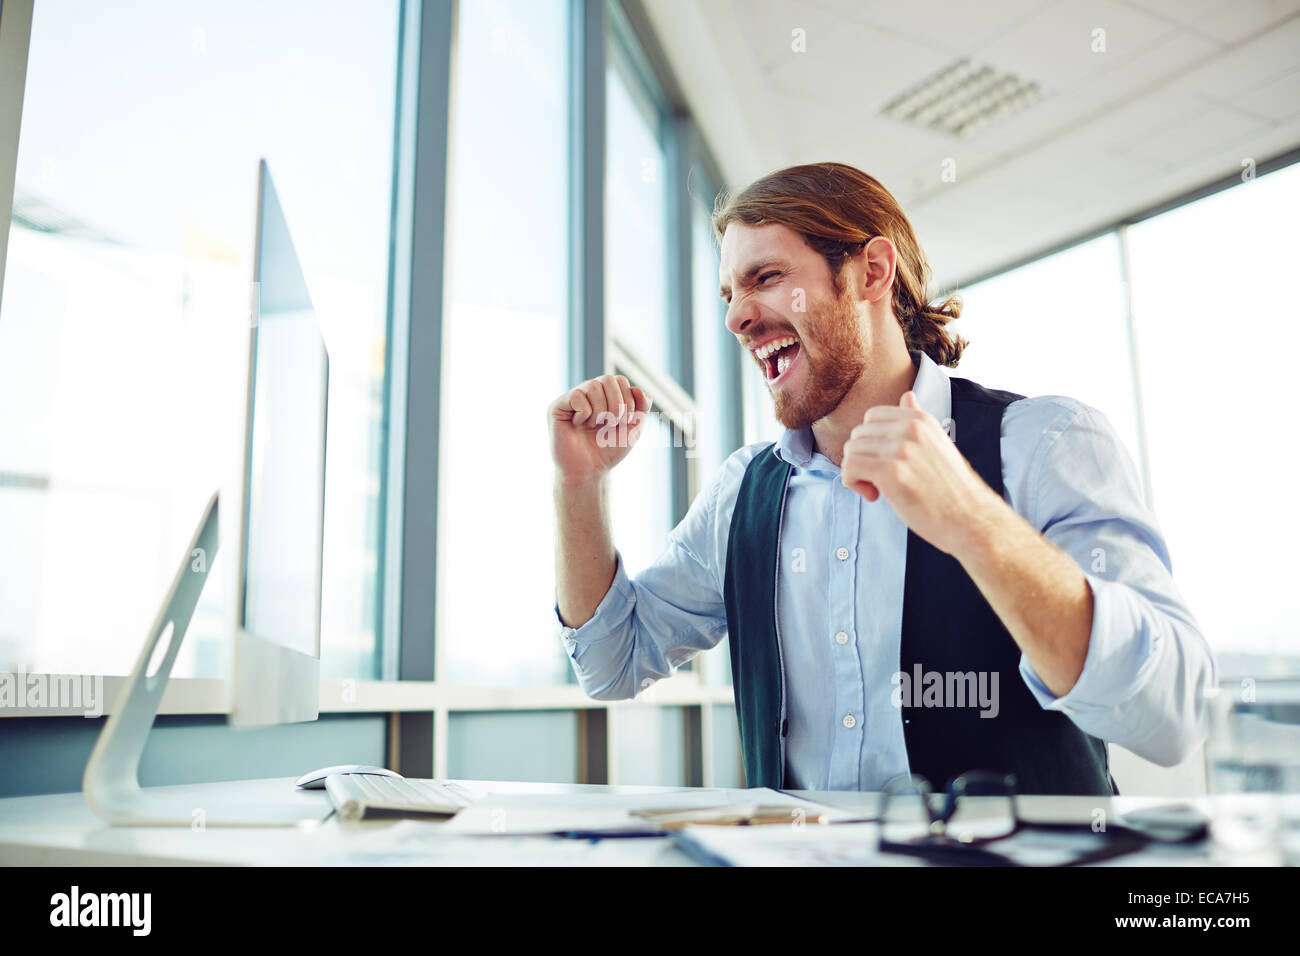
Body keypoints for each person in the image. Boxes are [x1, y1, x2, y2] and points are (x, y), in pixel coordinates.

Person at [547, 161, 1214, 795]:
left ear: (871, 271)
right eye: (729, 295)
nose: (735, 318)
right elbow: (612, 664)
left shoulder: (1046, 444)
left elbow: (1171, 715)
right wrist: (579, 488)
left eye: (766, 277)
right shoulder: (741, 493)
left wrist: (975, 522)